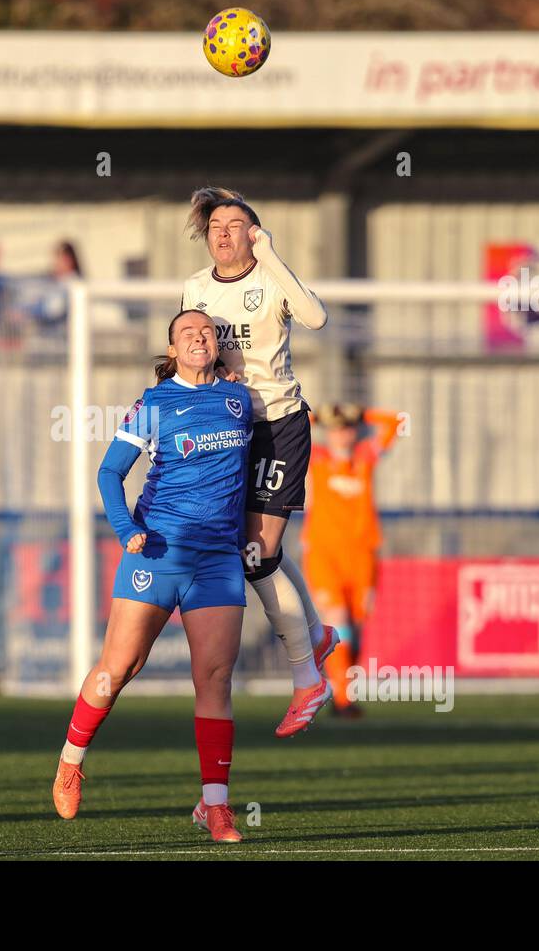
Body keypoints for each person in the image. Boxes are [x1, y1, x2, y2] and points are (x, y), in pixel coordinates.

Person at [51, 309, 254, 843]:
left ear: (218, 343)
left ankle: (216, 805)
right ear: (171, 347)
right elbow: (109, 471)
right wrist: (124, 529)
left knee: (213, 680)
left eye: (207, 331)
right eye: (187, 331)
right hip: (158, 550)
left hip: (218, 560)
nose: (198, 337)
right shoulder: (155, 403)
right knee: (118, 668)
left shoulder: (240, 397)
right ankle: (71, 761)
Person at [181, 186, 336, 738]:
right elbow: (193, 350)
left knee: (255, 553)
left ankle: (307, 678)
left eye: (236, 224)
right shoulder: (196, 287)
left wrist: (269, 254)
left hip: (279, 425)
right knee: (253, 550)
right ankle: (315, 636)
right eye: (216, 225)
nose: (224, 233)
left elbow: (317, 318)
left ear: (254, 232)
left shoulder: (271, 278)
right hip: (228, 428)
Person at [301, 403, 402, 718]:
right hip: (325, 553)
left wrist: (361, 413)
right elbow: (293, 426)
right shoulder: (318, 458)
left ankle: (342, 686)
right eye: (336, 428)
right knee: (338, 618)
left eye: (347, 427)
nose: (341, 434)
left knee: (355, 631)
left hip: (362, 556)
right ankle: (343, 699)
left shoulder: (365, 458)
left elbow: (395, 423)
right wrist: (321, 414)